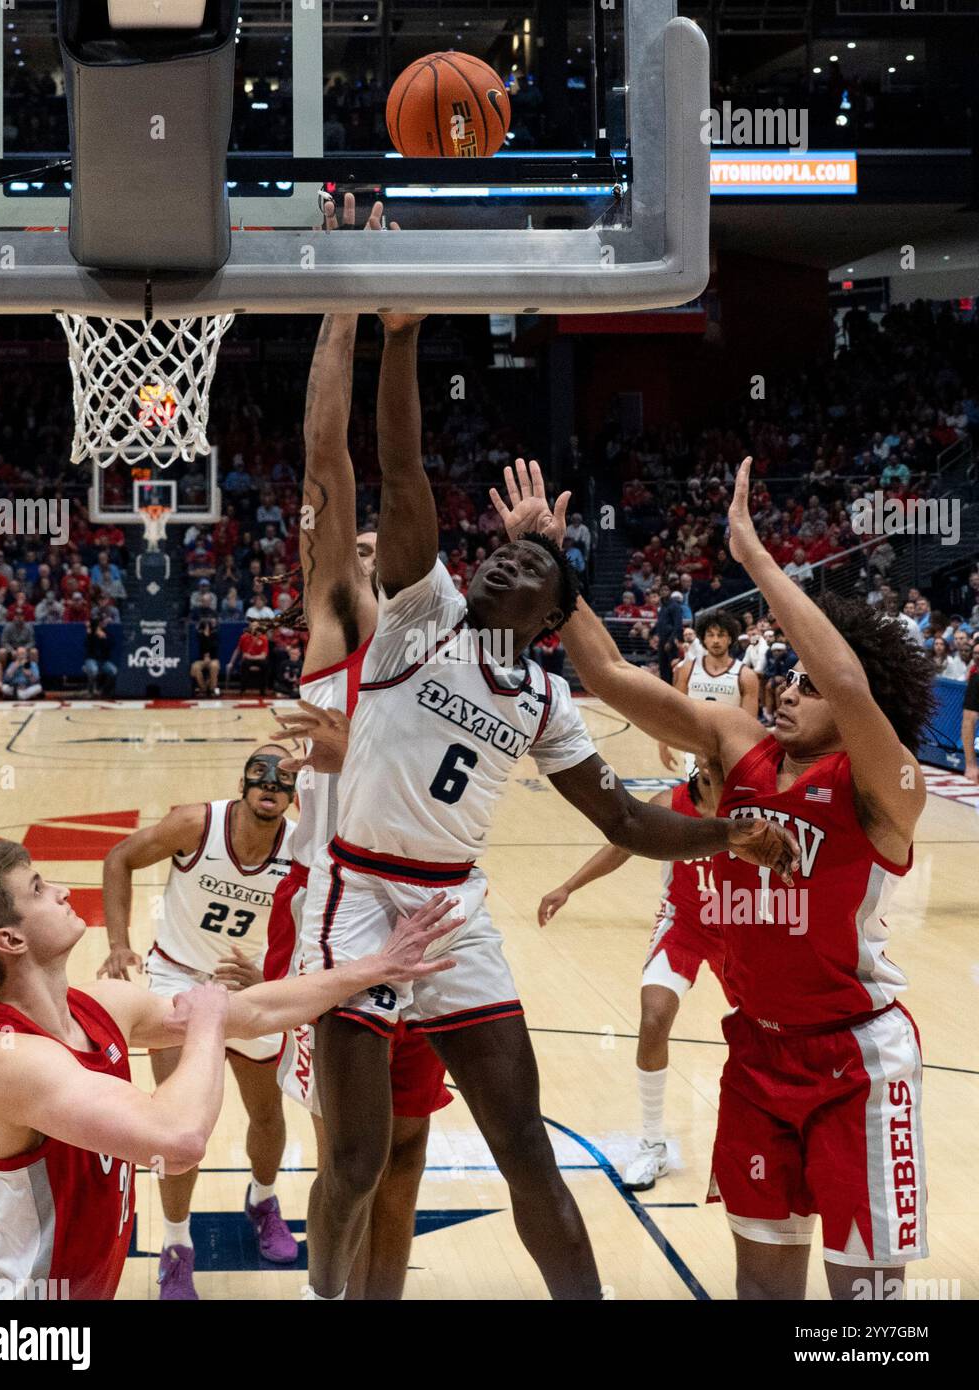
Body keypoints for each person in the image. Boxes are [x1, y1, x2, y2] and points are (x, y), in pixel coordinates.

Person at [289, 340, 796, 1301]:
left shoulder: (546, 700)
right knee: (353, 1162)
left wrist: (728, 834)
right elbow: (401, 469)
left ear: (550, 614)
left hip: (454, 914)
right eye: (499, 548)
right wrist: (401, 338)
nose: (499, 558)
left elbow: (630, 818)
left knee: (526, 1145)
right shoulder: (421, 612)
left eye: (525, 560)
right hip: (354, 892)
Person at [557, 456, 933, 1299]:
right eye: (784, 679)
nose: (791, 690)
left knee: (867, 1313)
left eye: (806, 683)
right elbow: (609, 678)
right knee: (762, 1292)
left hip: (858, 1061)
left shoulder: (885, 788)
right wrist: (557, 572)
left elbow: (842, 674)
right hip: (757, 1054)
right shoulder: (736, 745)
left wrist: (757, 559)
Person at [0, 838, 459, 1301]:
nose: (61, 891)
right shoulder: (6, 1059)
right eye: (37, 889)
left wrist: (378, 965)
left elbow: (258, 1011)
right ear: (10, 940)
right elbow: (176, 1142)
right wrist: (209, 1024)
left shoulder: (102, 1005)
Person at [267, 194, 462, 1304]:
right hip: (330, 909)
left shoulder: (432, 637)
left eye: (396, 535)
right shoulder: (341, 615)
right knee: (347, 1156)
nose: (375, 536)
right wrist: (344, 305)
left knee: (407, 1154)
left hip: (428, 907)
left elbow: (406, 474)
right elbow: (328, 457)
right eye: (365, 536)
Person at [98, 746, 299, 1300]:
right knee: (175, 1127)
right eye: (261, 772)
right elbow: (119, 858)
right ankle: (176, 1244)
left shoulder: (301, 849)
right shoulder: (196, 822)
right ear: (244, 782)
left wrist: (271, 973)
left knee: (266, 1112)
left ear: (292, 795)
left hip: (250, 989)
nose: (271, 783)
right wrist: (119, 944)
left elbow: (318, 925)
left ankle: (262, 1200)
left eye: (284, 779)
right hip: (178, 981)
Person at [537, 766, 731, 1191]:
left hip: (739, 925)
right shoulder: (669, 805)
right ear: (702, 778)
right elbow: (622, 845)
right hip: (684, 925)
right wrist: (568, 887)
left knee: (766, 1033)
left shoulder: (752, 805)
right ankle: (652, 1145)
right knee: (653, 1019)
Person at [658, 612, 758, 773]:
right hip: (696, 745)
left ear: (730, 638)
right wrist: (663, 743)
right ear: (703, 639)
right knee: (700, 791)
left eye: (721, 635)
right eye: (710, 635)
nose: (716, 640)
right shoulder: (688, 669)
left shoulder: (746, 675)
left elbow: (750, 724)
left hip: (730, 746)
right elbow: (674, 708)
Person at [83, 615, 117, 698]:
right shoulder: (91, 633)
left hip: (103, 661)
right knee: (94, 670)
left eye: (103, 622)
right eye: (100, 622)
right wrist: (90, 633)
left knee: (113, 671)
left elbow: (111, 645)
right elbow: (87, 645)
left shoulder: (107, 633)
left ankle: (104, 692)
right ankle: (91, 691)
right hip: (91, 659)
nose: (103, 623)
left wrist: (104, 637)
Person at [191, 615, 221, 698]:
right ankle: (203, 689)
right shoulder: (199, 635)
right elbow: (199, 640)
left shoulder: (215, 634)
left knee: (214, 666)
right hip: (201, 660)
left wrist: (207, 655)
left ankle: (212, 689)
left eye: (208, 624)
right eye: (205, 625)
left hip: (213, 659)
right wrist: (204, 635)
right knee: (195, 667)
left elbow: (212, 646)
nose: (207, 627)